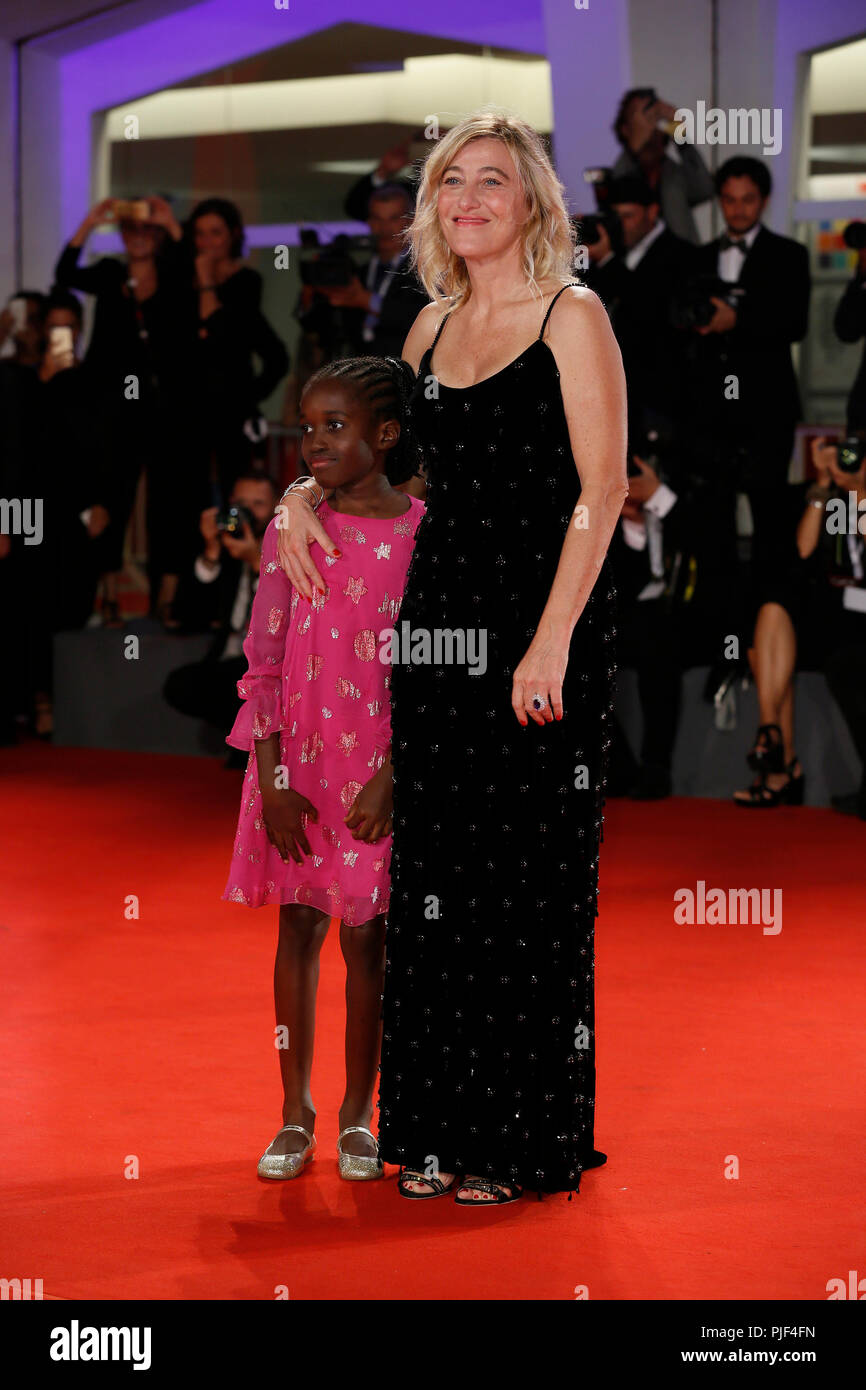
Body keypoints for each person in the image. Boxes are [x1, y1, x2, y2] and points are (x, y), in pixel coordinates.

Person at [274, 107, 628, 1205]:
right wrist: (295, 492)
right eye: (449, 182)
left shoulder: (574, 316)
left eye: (491, 181)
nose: (467, 198)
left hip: (541, 628)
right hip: (433, 630)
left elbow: (600, 488)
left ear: (530, 202)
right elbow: (370, 464)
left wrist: (550, 640)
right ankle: (431, 1131)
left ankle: (521, 1142)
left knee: (525, 884)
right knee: (433, 882)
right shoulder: (421, 330)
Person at [223, 355, 426, 1181]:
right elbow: (262, 661)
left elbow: (431, 671)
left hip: (378, 766)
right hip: (297, 767)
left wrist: (395, 775)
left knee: (370, 940)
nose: (313, 444)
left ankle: (357, 1115)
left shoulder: (422, 531)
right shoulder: (291, 526)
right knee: (298, 930)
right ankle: (293, 1113)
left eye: (333, 427)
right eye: (306, 428)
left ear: (386, 433)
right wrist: (272, 783)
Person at [53, 195, 192, 625]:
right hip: (112, 406)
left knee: (168, 502)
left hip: (163, 406)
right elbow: (65, 274)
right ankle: (109, 591)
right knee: (112, 496)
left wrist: (170, 222)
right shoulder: (110, 272)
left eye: (148, 230)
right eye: (132, 229)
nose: (139, 237)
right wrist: (91, 220)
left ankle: (165, 596)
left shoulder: (174, 272)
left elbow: (195, 270)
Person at [684, 157, 811, 608]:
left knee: (770, 520)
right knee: (713, 522)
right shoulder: (696, 260)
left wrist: (736, 320)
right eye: (730, 200)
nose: (737, 210)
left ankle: (770, 624)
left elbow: (795, 323)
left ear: (765, 200)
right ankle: (721, 627)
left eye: (747, 200)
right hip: (711, 413)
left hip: (768, 409)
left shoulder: (790, 256)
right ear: (720, 201)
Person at [734, 436, 866, 813]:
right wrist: (824, 484)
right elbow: (804, 548)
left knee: (768, 650)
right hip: (840, 615)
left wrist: (859, 493)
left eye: (854, 459)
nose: (847, 464)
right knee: (772, 612)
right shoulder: (829, 495)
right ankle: (772, 732)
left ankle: (778, 760)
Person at [21, 291, 112, 736]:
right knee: (30, 605)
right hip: (25, 511)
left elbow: (103, 448)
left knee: (71, 602)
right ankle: (37, 701)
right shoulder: (22, 381)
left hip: (73, 513)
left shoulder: (92, 382)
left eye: (68, 327)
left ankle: (65, 701)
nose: (61, 335)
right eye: (52, 326)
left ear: (79, 330)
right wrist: (44, 382)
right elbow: (18, 445)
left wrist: (102, 502)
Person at [163, 471, 281, 758]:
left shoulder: (287, 549)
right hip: (227, 661)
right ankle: (248, 744)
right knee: (182, 686)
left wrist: (257, 562)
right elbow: (184, 614)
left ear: (278, 508)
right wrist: (211, 551)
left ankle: (258, 750)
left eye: (258, 504)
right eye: (240, 503)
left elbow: (277, 624)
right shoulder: (224, 549)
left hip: (272, 667)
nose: (246, 513)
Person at [185, 199, 289, 508]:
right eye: (200, 233)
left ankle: (233, 552)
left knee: (234, 496)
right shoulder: (181, 285)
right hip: (188, 410)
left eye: (215, 232)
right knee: (191, 497)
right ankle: (202, 555)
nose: (207, 242)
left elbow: (223, 336)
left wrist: (247, 396)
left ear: (232, 234)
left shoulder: (245, 283)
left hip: (231, 415)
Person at [611, 89, 714, 244]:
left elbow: (705, 189)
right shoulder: (622, 170)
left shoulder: (673, 171)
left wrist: (678, 132)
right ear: (625, 129)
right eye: (641, 115)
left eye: (655, 115)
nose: (651, 122)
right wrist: (636, 144)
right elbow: (616, 194)